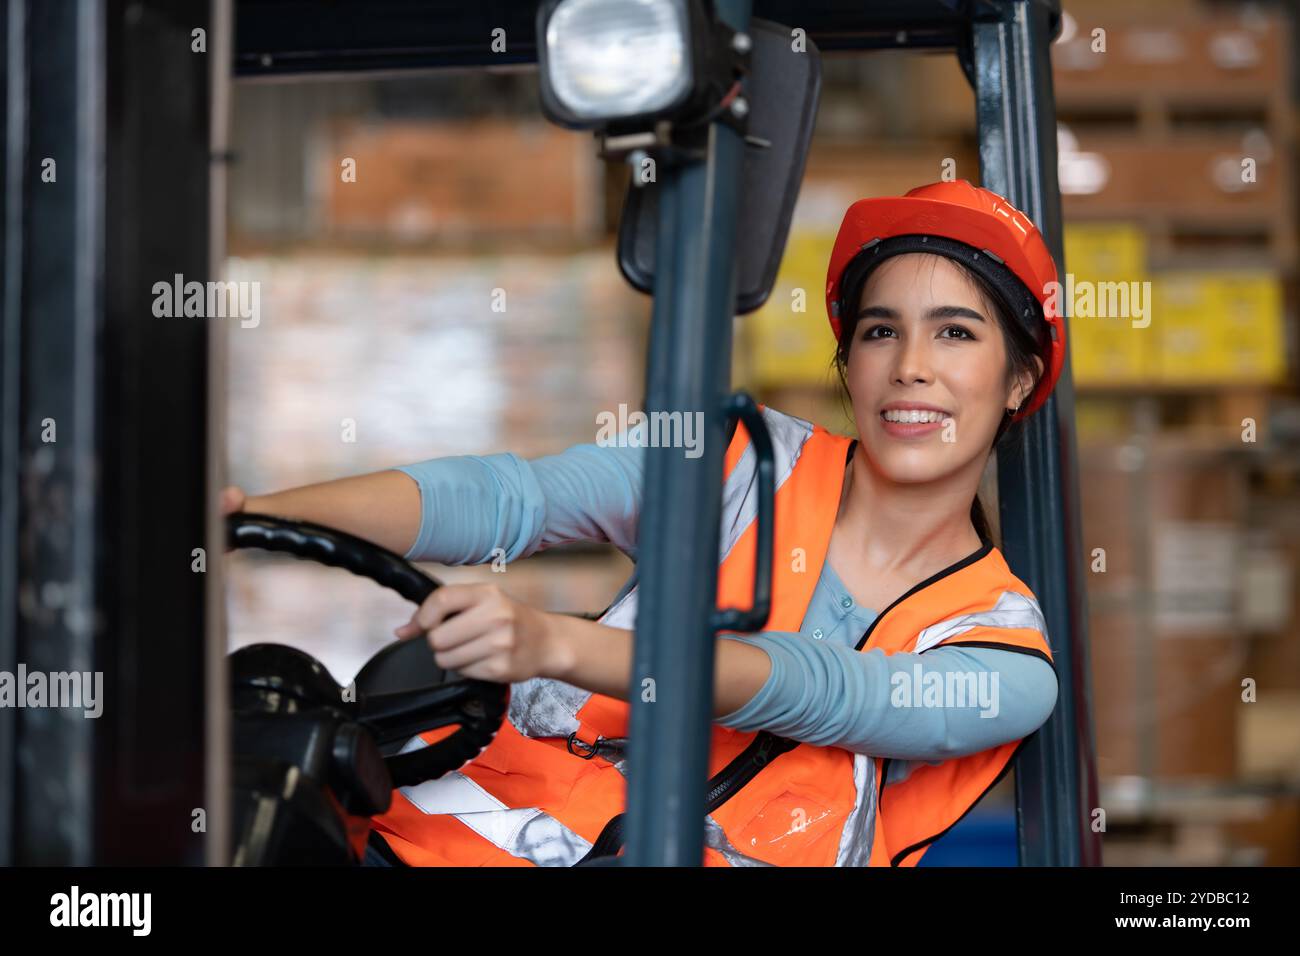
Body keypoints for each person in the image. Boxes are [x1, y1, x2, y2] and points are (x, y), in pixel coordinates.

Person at [221, 180, 1066, 867]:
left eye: (956, 333)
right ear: (852, 363)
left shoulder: (1002, 655)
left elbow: (813, 688)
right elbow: (513, 499)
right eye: (883, 332)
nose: (911, 368)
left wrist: (552, 643)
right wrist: (258, 514)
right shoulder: (742, 460)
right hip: (435, 845)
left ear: (1021, 379)